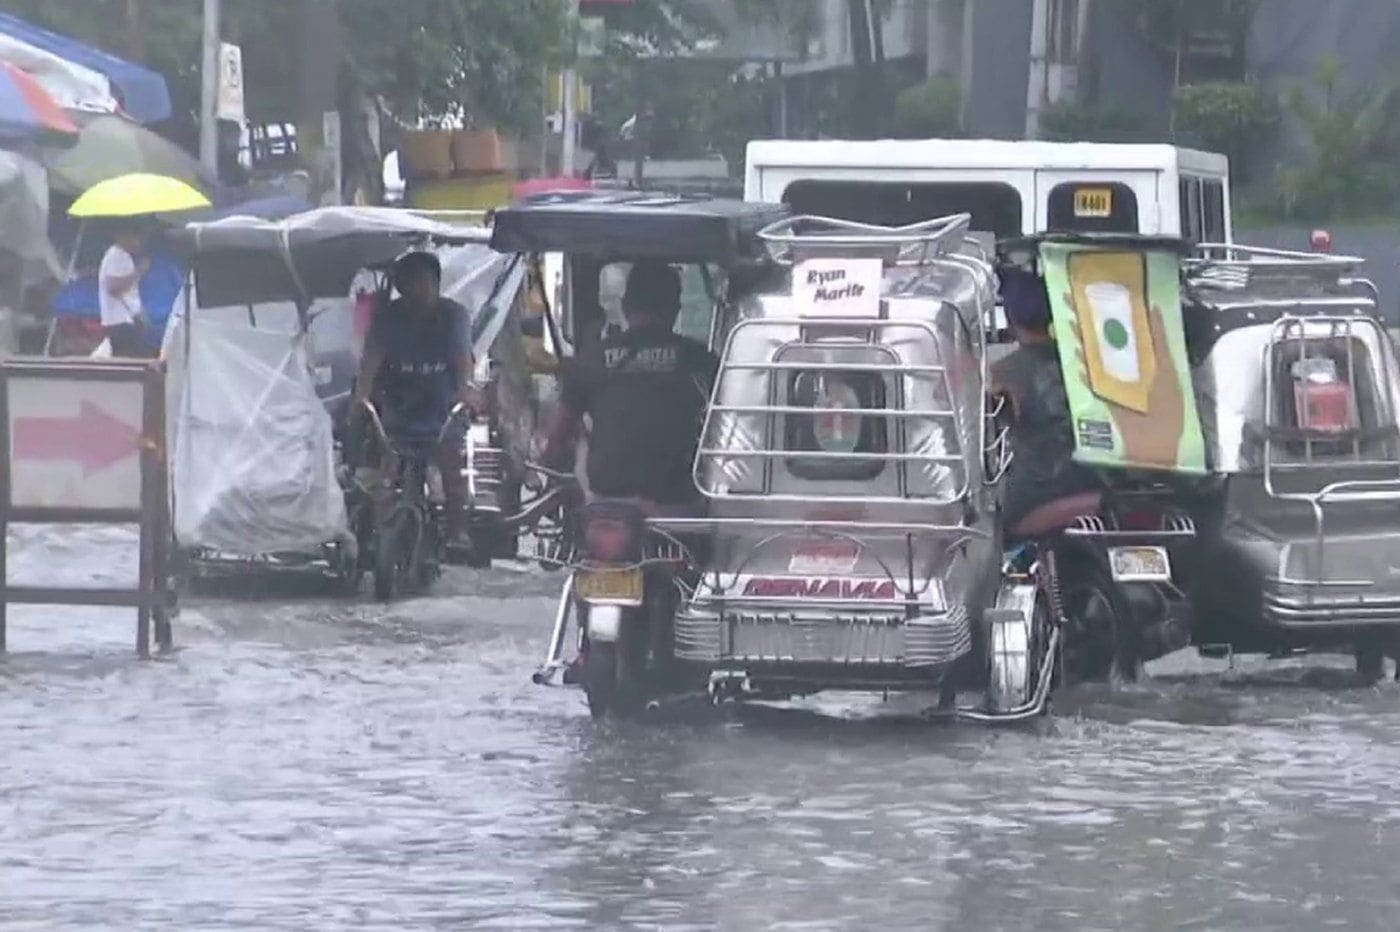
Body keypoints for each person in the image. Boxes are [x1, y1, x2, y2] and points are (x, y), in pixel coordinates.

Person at [540, 260, 718, 511]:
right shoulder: (701, 361)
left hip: (607, 499)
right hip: (678, 501)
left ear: (625, 307)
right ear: (675, 309)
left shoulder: (592, 360)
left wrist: (549, 461)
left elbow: (557, 436)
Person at [353, 251, 480, 546]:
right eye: (410, 284)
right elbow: (371, 361)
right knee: (385, 467)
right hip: (399, 406)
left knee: (451, 463)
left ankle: (457, 530)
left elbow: (463, 361)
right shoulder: (388, 317)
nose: (418, 290)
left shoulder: (454, 316)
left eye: (424, 282)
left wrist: (467, 391)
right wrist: (361, 398)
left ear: (436, 284)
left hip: (442, 406)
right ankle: (377, 524)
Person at [990, 266, 1102, 539]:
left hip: (1040, 496)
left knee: (994, 531)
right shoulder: (1093, 364)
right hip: (1094, 481)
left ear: (1010, 315)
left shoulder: (1004, 373)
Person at [98, 221, 150, 357]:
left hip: (128, 319)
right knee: (126, 359)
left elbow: (129, 293)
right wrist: (139, 271)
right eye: (136, 238)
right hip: (119, 321)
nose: (139, 243)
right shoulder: (116, 256)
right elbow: (113, 287)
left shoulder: (124, 257)